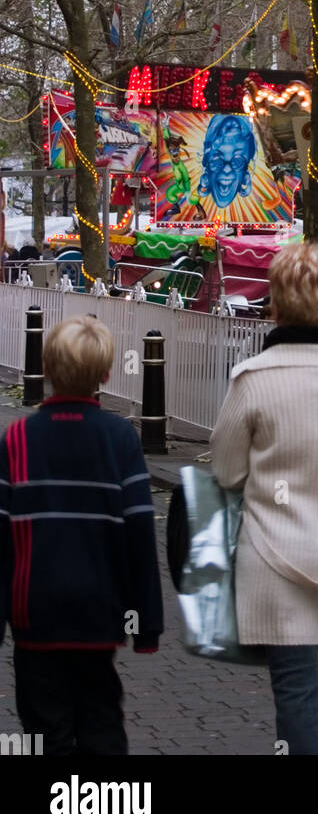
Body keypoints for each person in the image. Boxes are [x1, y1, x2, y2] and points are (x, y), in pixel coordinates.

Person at [210, 242, 318, 756]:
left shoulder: (253, 379)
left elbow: (226, 470)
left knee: (297, 687)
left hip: (277, 558)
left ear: (276, 303)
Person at [0, 316, 163, 754]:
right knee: (101, 719)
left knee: (43, 726)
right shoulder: (120, 439)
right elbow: (140, 533)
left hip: (35, 613)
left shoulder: (16, 440)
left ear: (46, 369)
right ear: (106, 374)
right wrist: (147, 621)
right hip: (100, 610)